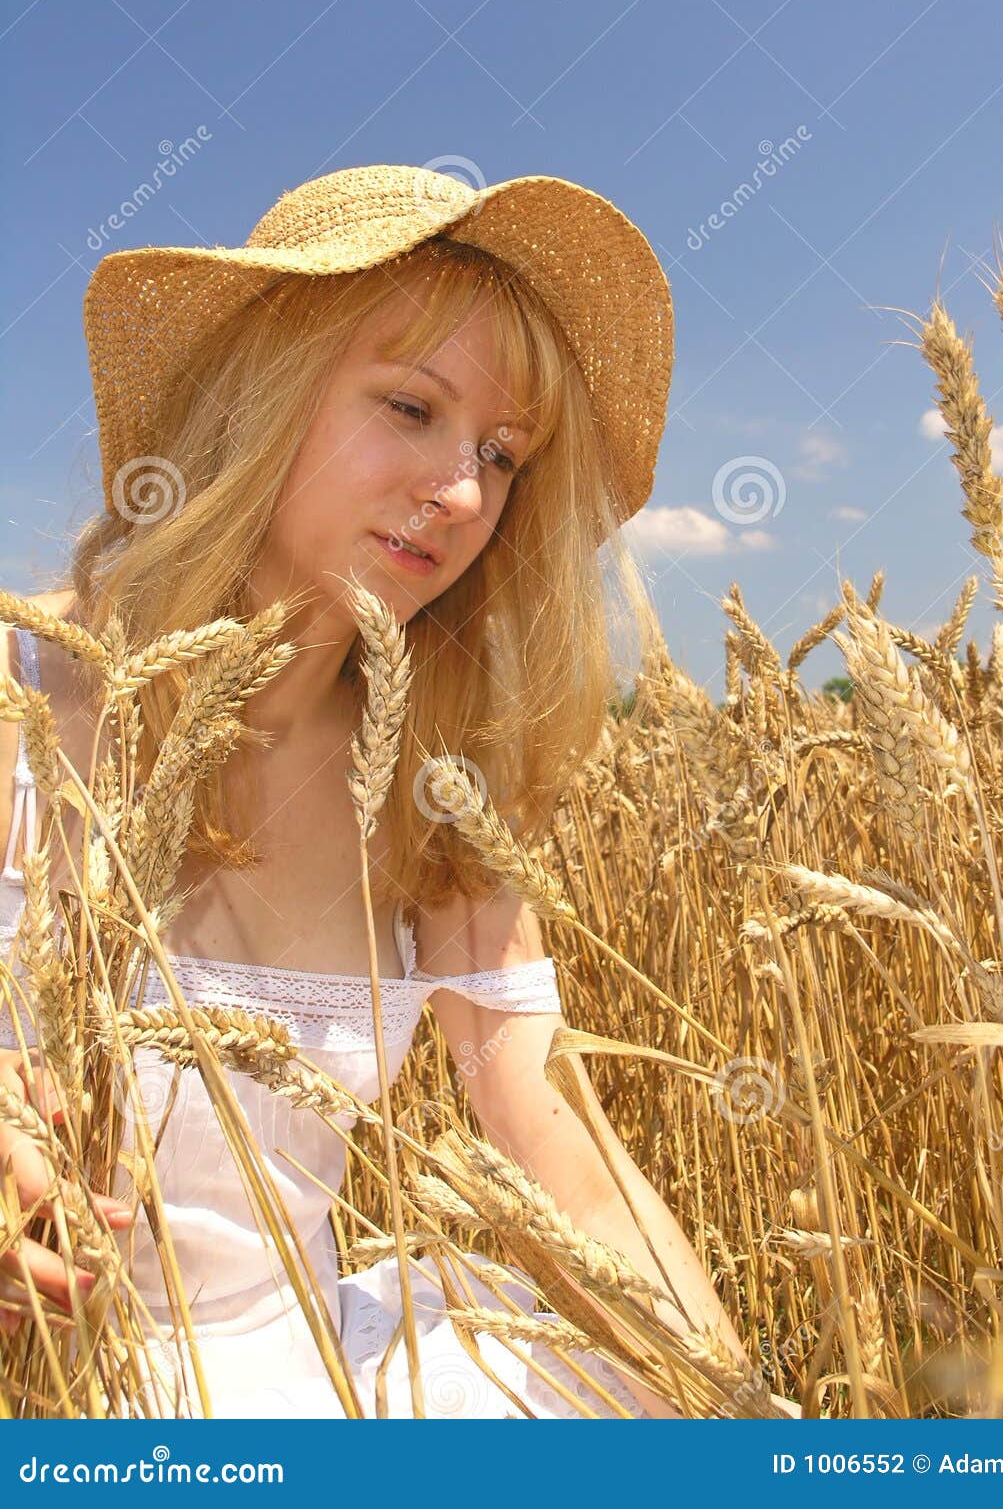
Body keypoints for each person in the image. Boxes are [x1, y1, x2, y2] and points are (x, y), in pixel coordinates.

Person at [0, 164, 767, 1419]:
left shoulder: (435, 793)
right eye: (411, 406)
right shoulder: (20, 690)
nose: (463, 494)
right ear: (266, 395)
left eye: (504, 455)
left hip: (310, 1382)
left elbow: (558, 1154)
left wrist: (733, 1415)